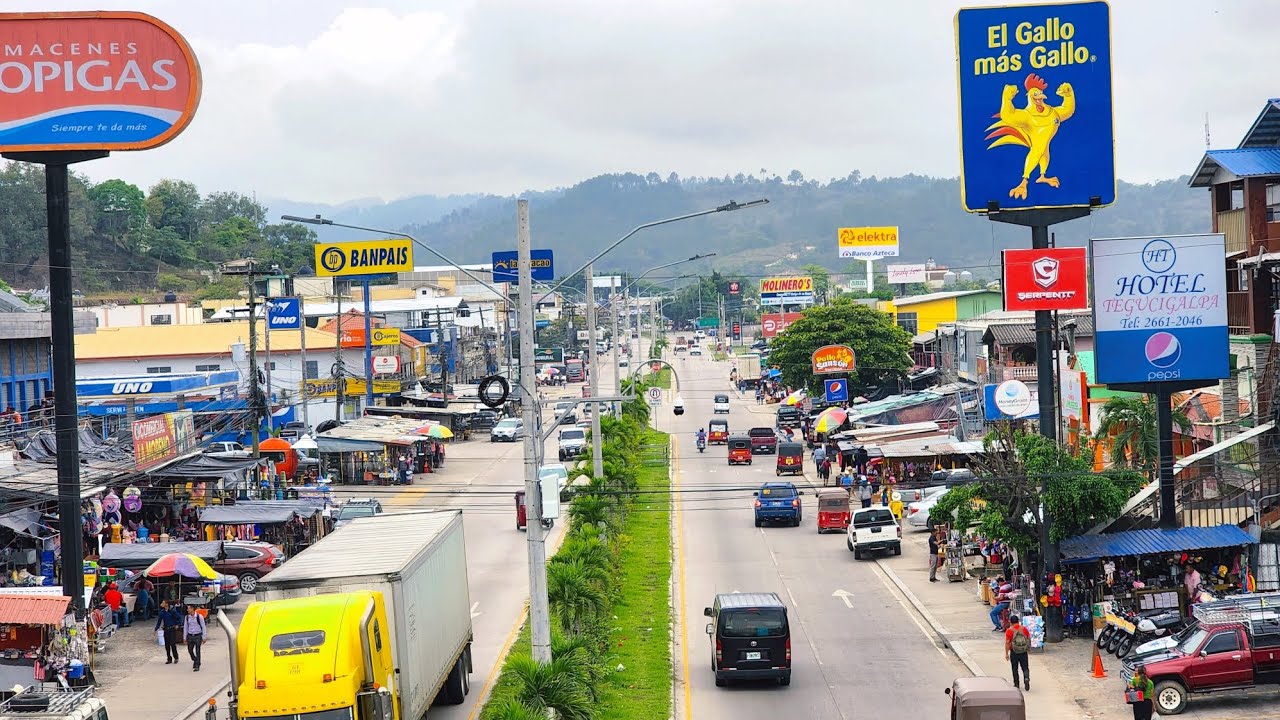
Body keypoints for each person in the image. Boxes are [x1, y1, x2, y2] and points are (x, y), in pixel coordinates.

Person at [1005, 613, 1031, 691]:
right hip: (1023, 651)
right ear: (1018, 621)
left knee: (1014, 668)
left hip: (1014, 651)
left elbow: (1007, 642)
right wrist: (1028, 648)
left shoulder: (1009, 630)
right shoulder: (1024, 629)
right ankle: (1026, 678)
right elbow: (1028, 638)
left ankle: (1016, 684)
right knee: (1025, 667)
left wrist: (1006, 653)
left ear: (1010, 622)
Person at [184, 604, 206, 671]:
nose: (187, 610)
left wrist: (204, 636)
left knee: (197, 650)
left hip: (197, 635)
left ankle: (197, 665)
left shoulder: (199, 617)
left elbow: (203, 626)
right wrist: (184, 637)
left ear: (192, 609)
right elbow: (186, 627)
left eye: (189, 608)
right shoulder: (187, 617)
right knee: (190, 650)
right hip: (190, 635)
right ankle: (195, 659)